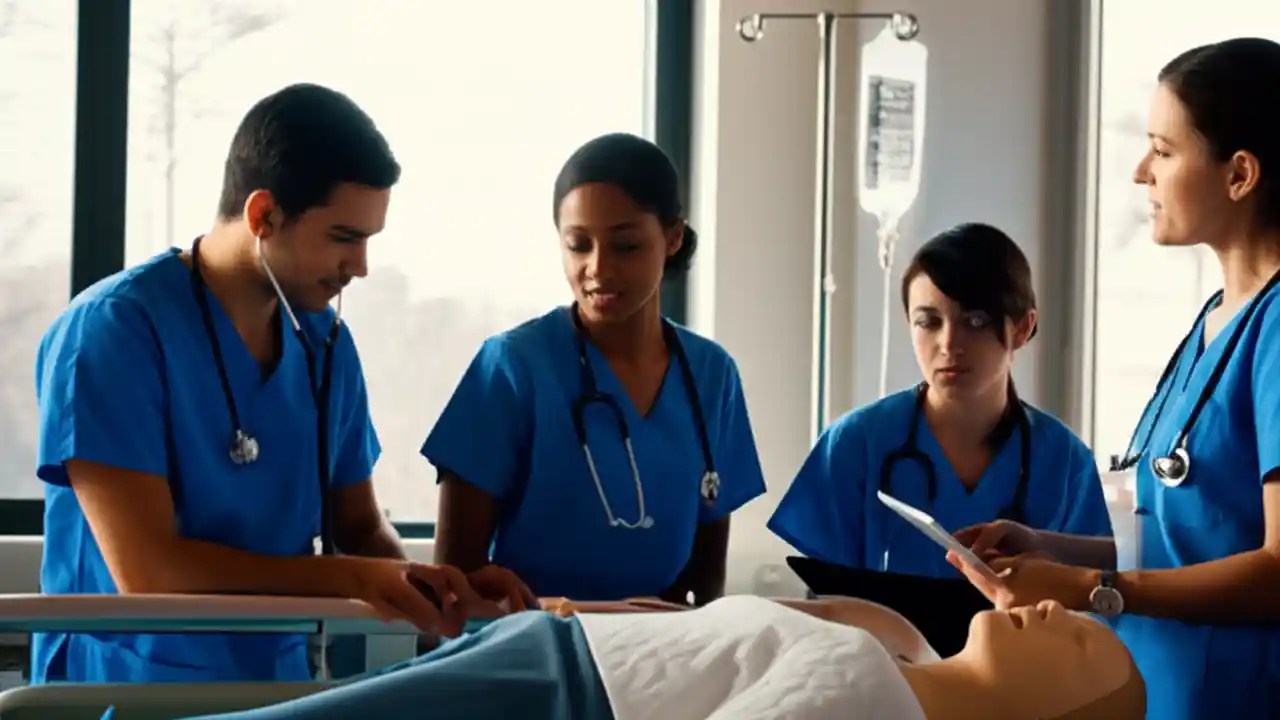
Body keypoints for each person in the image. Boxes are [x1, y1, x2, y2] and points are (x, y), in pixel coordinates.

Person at [33, 83, 520, 685]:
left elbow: (360, 529)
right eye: (344, 238)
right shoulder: (113, 331)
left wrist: (441, 592)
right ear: (263, 215)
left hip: (279, 686)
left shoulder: (324, 345)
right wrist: (352, 578)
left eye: (368, 241)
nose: (360, 266)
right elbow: (150, 569)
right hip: (122, 690)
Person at [946, 37, 1280, 720]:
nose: (1139, 173)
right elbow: (1185, 540)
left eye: (1162, 151)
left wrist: (1087, 585)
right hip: (1160, 690)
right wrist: (1051, 549)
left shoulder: (1275, 329)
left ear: (1240, 174)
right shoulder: (1217, 319)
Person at [423, 133, 767, 605]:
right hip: (531, 636)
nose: (598, 268)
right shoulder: (513, 366)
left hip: (659, 640)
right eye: (578, 245)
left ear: (672, 238)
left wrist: (701, 645)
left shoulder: (711, 375)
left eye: (626, 246)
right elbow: (454, 577)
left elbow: (706, 583)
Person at [768, 223, 1113, 579]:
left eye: (974, 321)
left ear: (1022, 328)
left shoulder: (1065, 461)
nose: (948, 344)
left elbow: (1091, 593)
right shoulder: (855, 444)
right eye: (928, 322)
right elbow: (826, 593)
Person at [173, 595, 1146, 720]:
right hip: (553, 649)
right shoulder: (891, 651)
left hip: (559, 689)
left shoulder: (867, 695)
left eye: (1080, 638)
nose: (1052, 607)